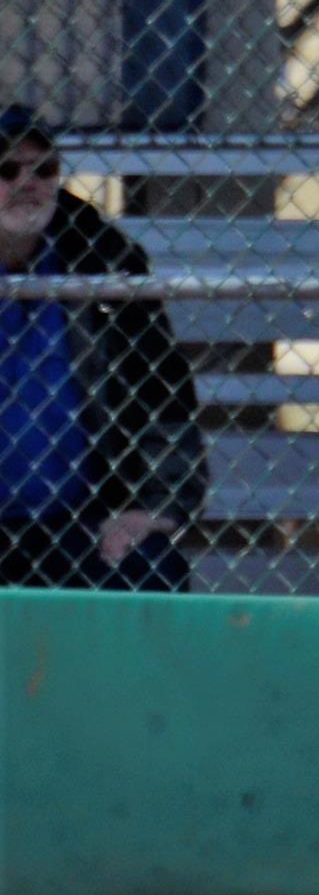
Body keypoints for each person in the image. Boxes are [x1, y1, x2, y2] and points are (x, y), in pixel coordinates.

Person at [0, 104, 207, 591]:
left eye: (44, 169)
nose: (29, 183)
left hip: (78, 521)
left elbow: (167, 400)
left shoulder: (105, 262)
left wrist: (151, 508)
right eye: (8, 170)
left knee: (151, 567)